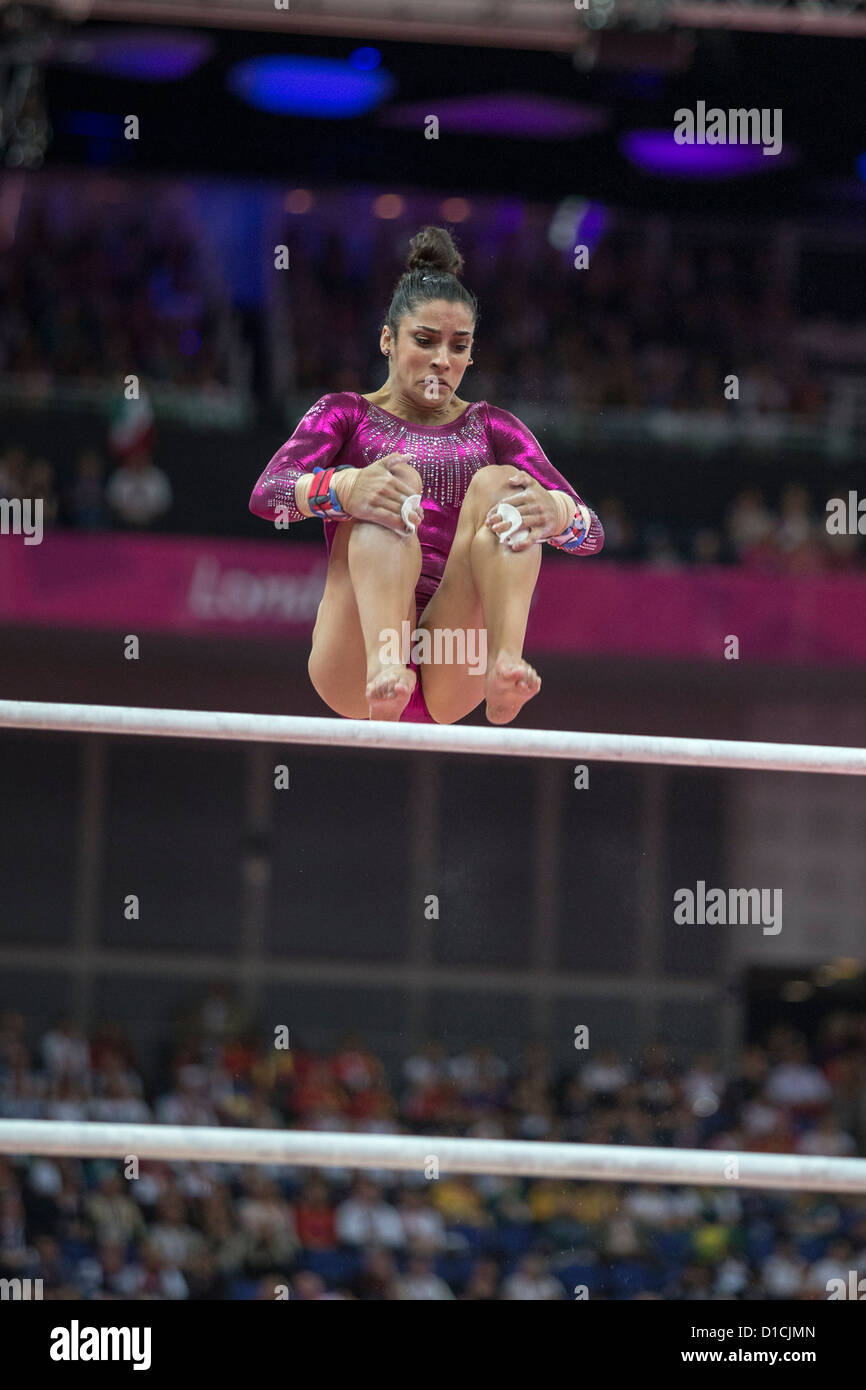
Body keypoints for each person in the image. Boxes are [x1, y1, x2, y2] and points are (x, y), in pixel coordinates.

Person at [249, 225, 603, 725]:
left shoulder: (494, 428)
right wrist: (346, 487)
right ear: (387, 339)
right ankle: (387, 667)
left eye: (459, 346)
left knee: (505, 488)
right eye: (425, 340)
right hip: (356, 662)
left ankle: (504, 665)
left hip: (453, 661)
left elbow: (593, 534)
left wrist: (559, 513)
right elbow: (268, 494)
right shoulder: (345, 413)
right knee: (392, 483)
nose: (443, 359)